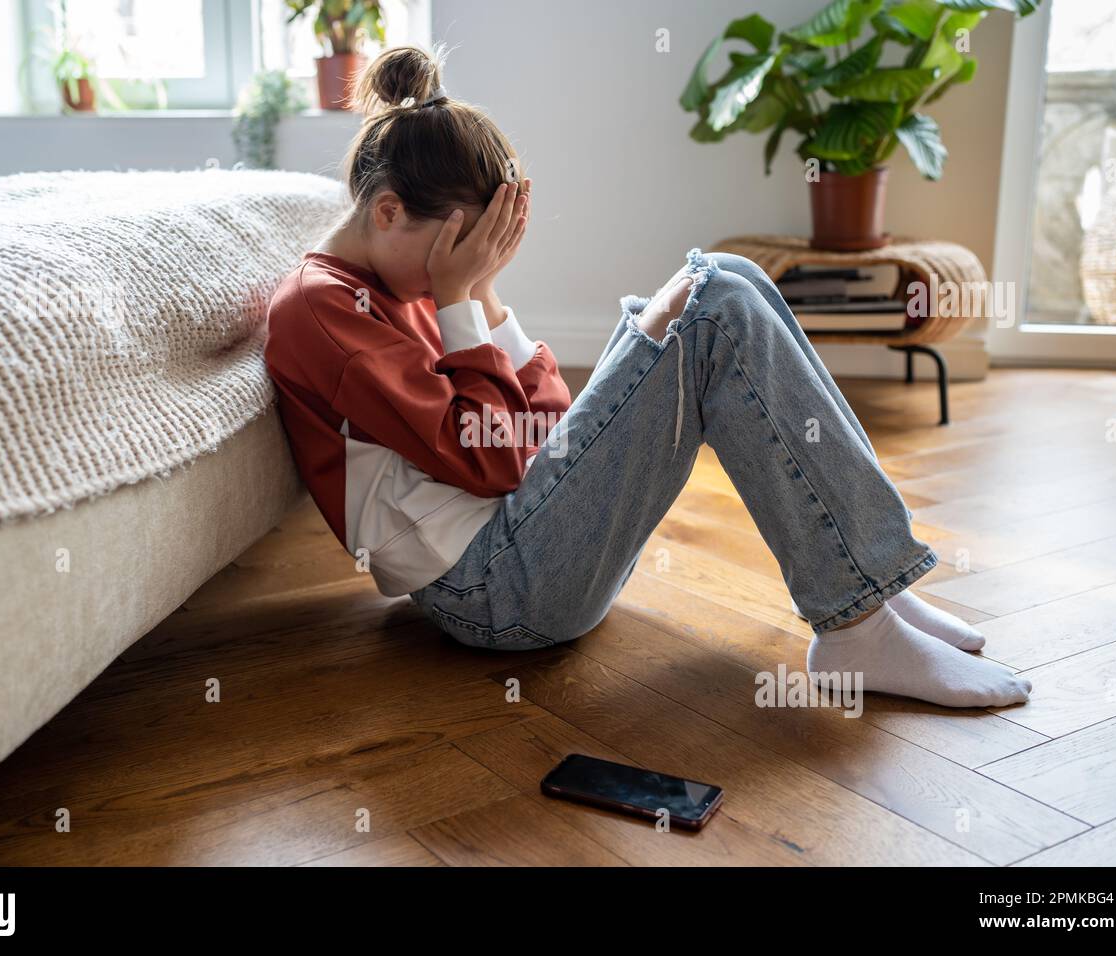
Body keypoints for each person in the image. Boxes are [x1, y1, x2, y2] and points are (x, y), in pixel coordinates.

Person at [264, 46, 1032, 709]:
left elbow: (546, 431)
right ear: (389, 212)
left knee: (725, 279)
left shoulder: (411, 284)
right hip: (490, 593)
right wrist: (460, 297)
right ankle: (859, 624)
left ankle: (872, 589)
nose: (458, 270)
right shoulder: (326, 309)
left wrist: (484, 294)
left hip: (523, 551)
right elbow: (494, 461)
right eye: (461, 246)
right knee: (716, 303)